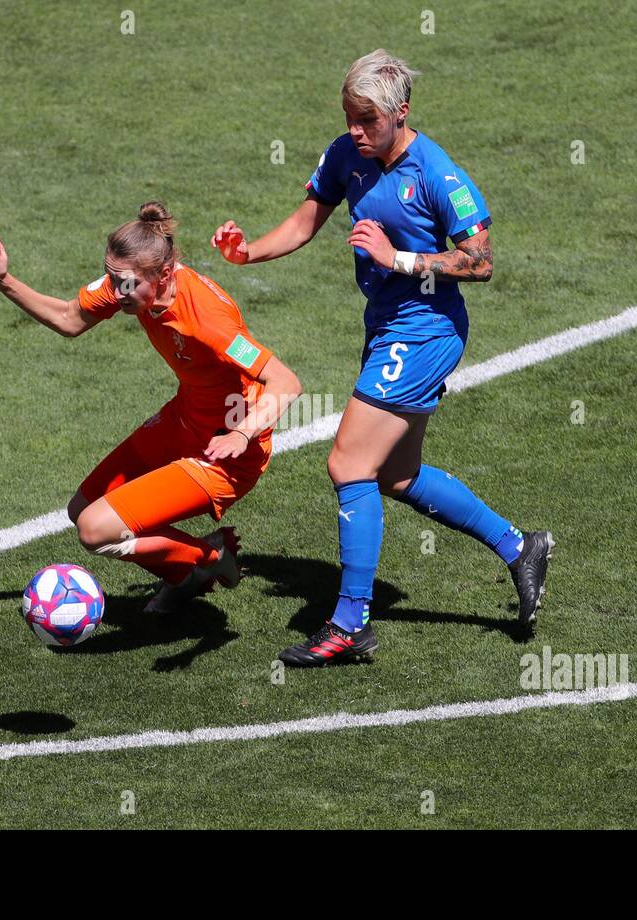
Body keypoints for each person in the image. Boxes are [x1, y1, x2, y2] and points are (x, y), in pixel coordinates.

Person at [211, 50, 554, 666]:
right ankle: (519, 546)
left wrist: (398, 259)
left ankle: (349, 625)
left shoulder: (436, 172)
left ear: (401, 112)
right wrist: (246, 254)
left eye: (367, 119)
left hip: (424, 331)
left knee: (347, 464)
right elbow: (305, 220)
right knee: (394, 475)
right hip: (387, 328)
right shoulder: (350, 155)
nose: (354, 130)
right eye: (348, 117)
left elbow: (480, 260)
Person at [0, 202, 302, 613]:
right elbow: (70, 319)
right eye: (111, 277)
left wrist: (241, 433)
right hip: (184, 418)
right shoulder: (128, 283)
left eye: (125, 283)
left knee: (94, 531)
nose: (115, 290)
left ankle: (211, 558)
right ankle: (185, 576)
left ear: (163, 275)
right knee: (82, 508)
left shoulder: (207, 320)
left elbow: (286, 382)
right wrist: (4, 281)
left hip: (226, 453)